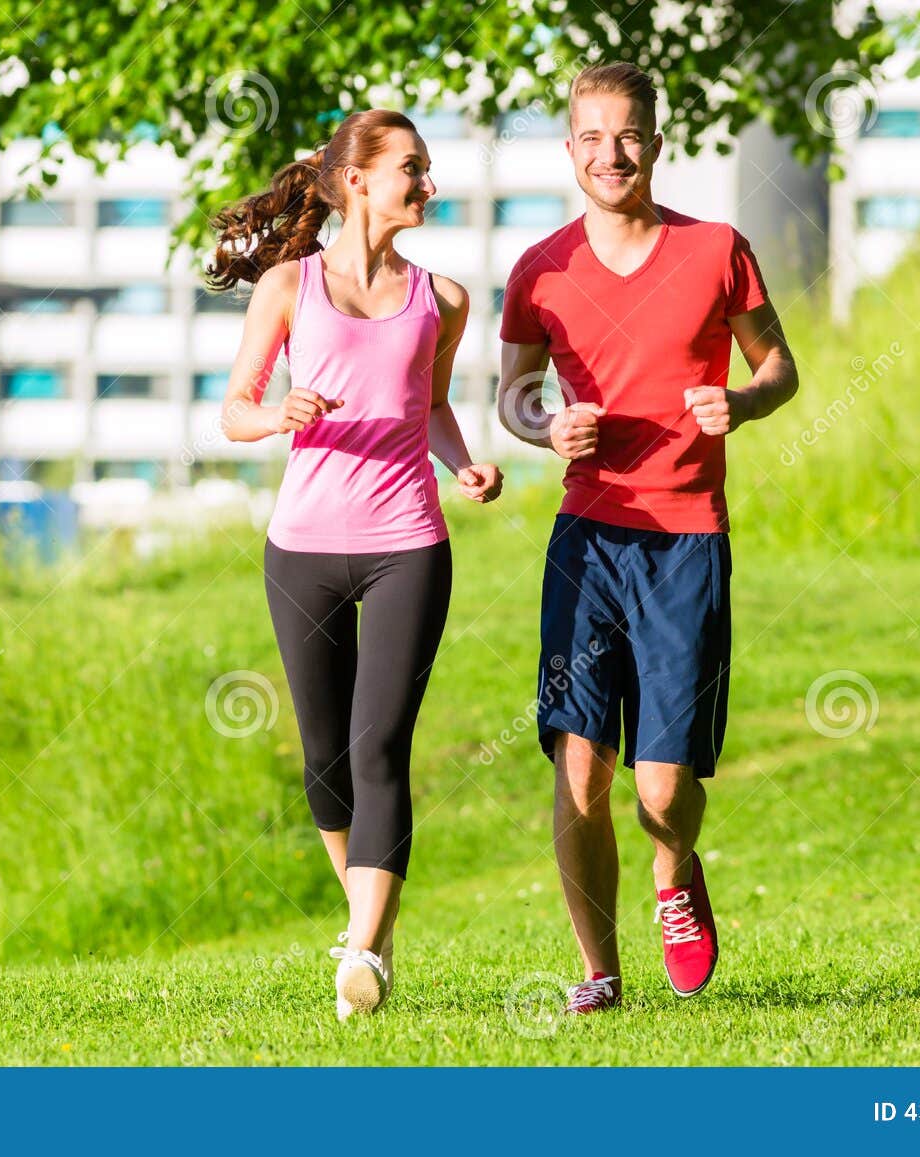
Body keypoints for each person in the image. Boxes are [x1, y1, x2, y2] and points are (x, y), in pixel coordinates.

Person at [497, 63, 799, 1013]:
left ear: (657, 143)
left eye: (627, 135)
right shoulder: (539, 269)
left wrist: (742, 402)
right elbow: (512, 393)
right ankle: (599, 970)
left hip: (686, 541)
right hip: (586, 539)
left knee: (662, 788)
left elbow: (781, 366)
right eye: (591, 137)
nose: (610, 153)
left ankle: (676, 874)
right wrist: (544, 425)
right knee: (578, 762)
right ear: (570, 150)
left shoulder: (716, 249)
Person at [210, 109, 504, 1020]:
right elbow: (235, 409)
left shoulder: (442, 299)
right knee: (324, 762)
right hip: (301, 548)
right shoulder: (291, 287)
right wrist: (281, 413)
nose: (428, 185)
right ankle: (368, 919)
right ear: (356, 182)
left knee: (380, 744)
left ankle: (366, 949)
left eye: (427, 169)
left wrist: (465, 464)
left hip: (408, 544)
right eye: (412, 170)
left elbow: (433, 404)